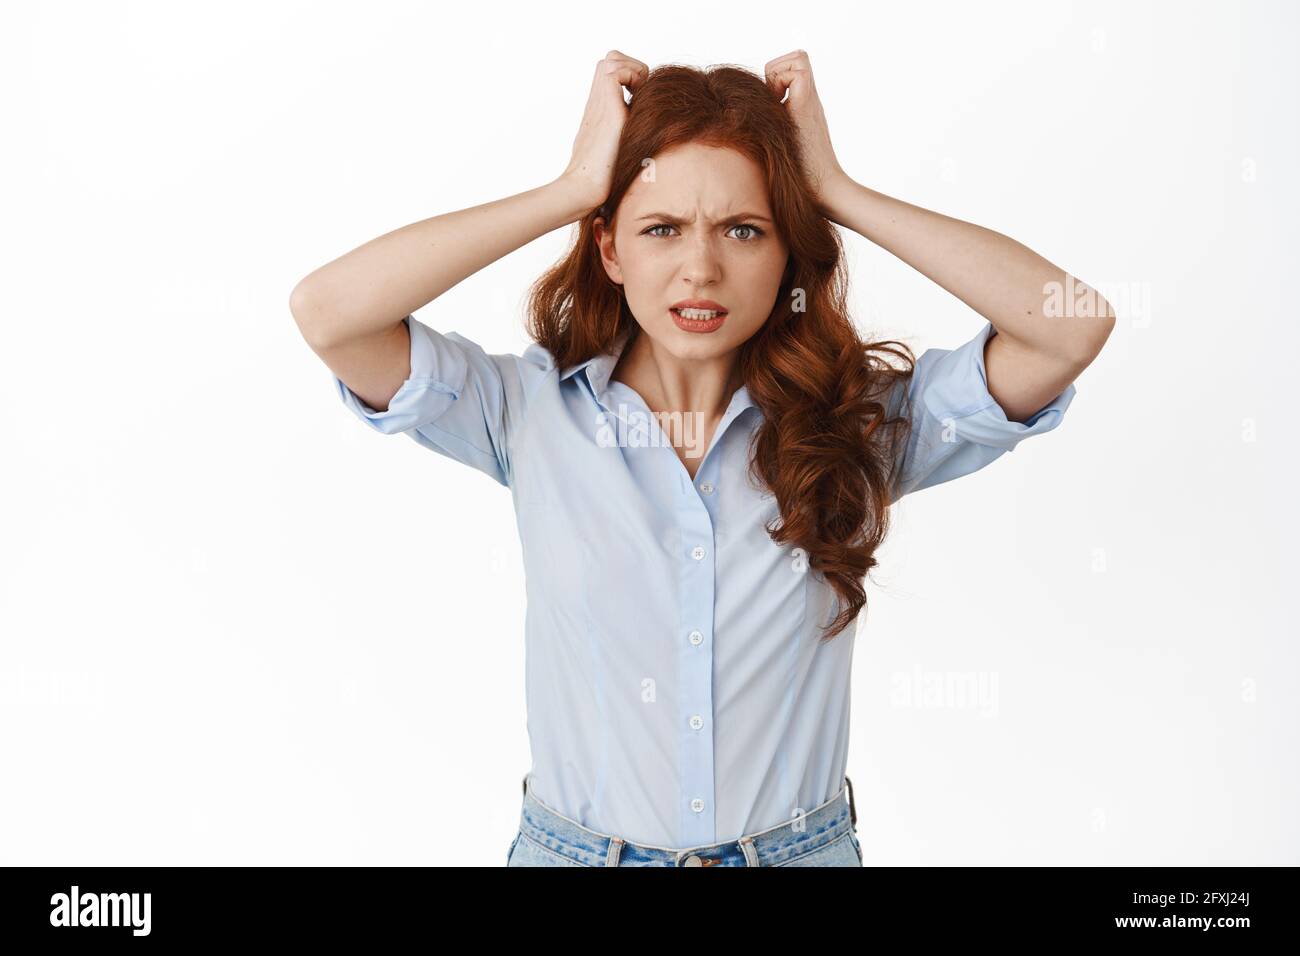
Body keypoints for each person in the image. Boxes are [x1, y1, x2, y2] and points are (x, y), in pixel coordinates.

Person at [289, 50, 1115, 867]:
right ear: (610, 251)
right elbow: (328, 313)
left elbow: (1070, 324)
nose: (701, 268)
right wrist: (570, 190)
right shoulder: (527, 411)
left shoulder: (853, 424)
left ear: (789, 250)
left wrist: (837, 192)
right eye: (661, 229)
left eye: (744, 229)